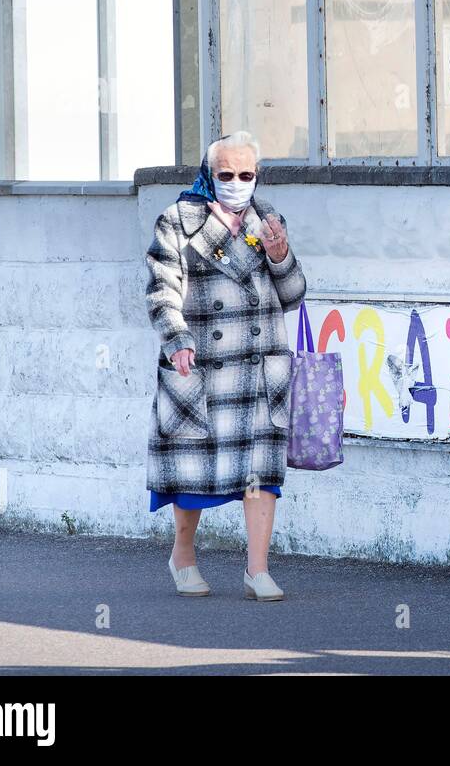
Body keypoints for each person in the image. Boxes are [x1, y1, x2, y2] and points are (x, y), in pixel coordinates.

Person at [143, 131, 306, 601]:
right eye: (226, 174)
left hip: (259, 372)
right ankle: (184, 555)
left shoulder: (267, 219)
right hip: (201, 367)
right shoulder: (177, 220)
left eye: (246, 175)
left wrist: (281, 257)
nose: (237, 183)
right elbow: (162, 289)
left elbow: (293, 295)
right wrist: (176, 340)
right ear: (209, 174)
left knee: (262, 476)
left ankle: (258, 570)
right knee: (193, 476)